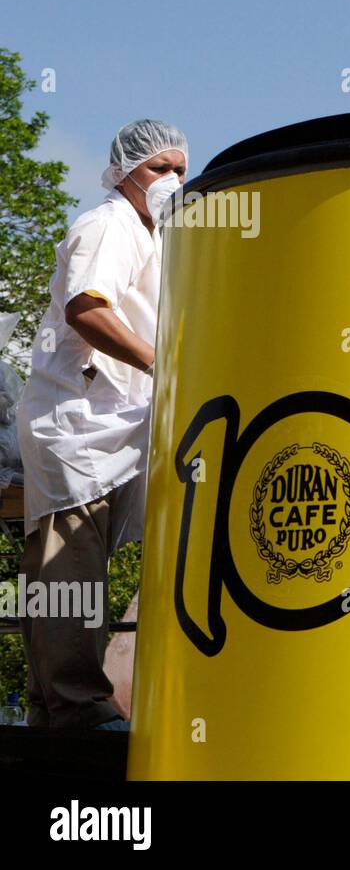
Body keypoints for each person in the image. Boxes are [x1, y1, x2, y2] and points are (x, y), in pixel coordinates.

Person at [16, 119, 187, 730]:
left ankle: (51, 705)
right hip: (78, 424)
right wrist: (167, 367)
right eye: (158, 168)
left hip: (107, 426)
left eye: (180, 170)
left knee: (63, 565)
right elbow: (87, 308)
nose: (172, 180)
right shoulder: (108, 224)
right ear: (123, 170)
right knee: (71, 563)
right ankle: (79, 705)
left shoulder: (152, 237)